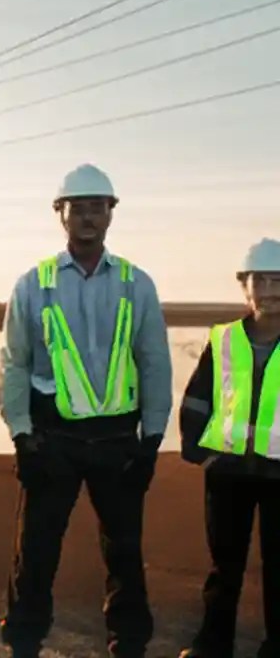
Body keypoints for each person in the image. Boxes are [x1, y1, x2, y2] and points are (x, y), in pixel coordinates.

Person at [0, 164, 173, 658]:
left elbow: (154, 361)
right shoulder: (34, 284)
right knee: (35, 551)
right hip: (53, 441)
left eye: (98, 206)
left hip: (118, 442)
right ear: (61, 214)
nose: (88, 216)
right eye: (78, 207)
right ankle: (24, 640)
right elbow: (14, 363)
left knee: (124, 551)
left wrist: (153, 439)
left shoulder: (137, 284)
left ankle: (128, 641)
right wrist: (21, 435)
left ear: (111, 213)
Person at [177, 237, 280, 658]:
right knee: (225, 566)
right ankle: (212, 645)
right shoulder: (222, 339)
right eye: (260, 280)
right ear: (244, 285)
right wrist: (196, 446)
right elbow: (199, 396)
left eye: (278, 280)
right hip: (229, 472)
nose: (270, 291)